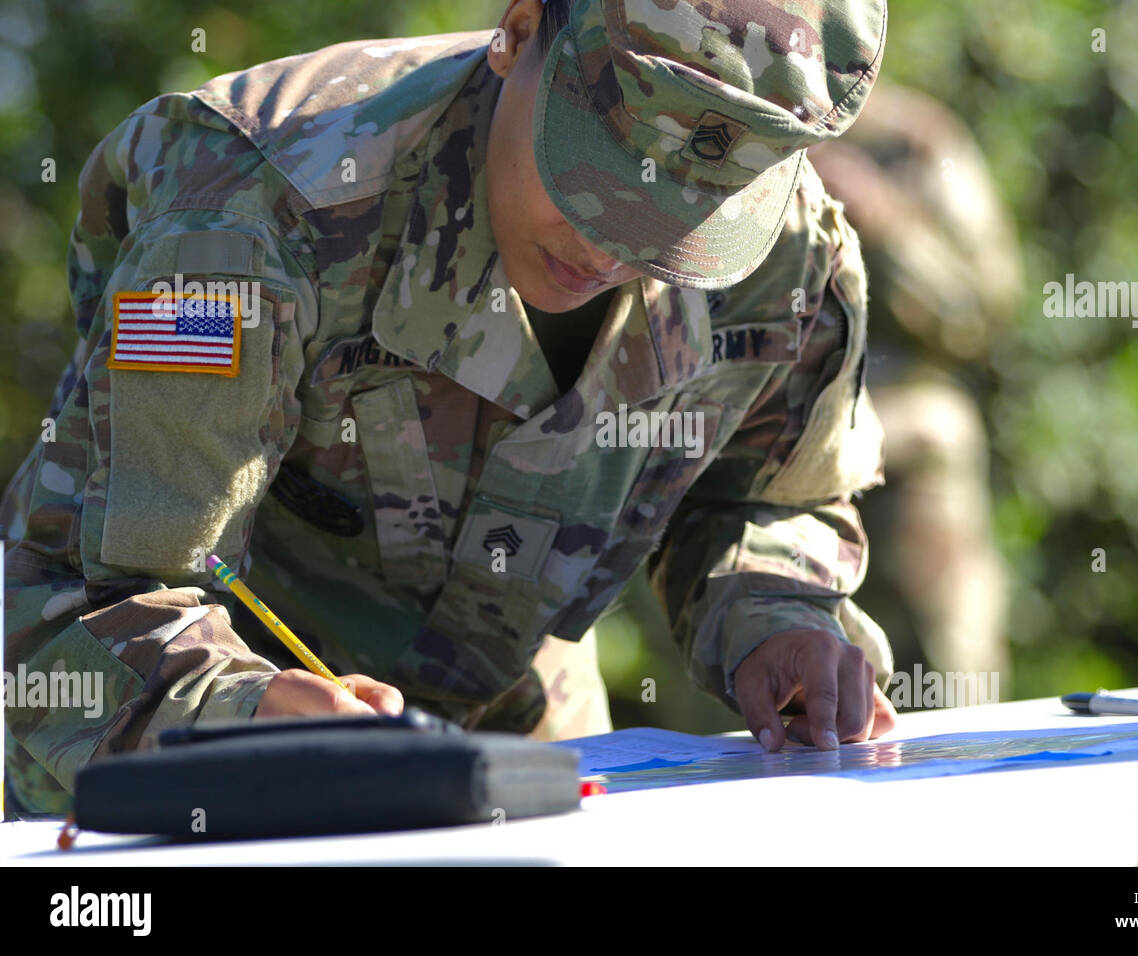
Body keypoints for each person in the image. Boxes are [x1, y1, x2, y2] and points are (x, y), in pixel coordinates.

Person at [2, 0, 895, 814]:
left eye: (684, 226)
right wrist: (242, 710)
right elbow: (59, 613)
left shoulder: (787, 265)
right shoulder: (245, 218)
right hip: (235, 769)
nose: (615, 247)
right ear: (517, 30)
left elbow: (770, 500)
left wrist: (778, 622)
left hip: (534, 750)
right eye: (601, 176)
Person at [808, 83, 1021, 682]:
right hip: (763, 411)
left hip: (893, 420)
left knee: (942, 430)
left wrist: (879, 213)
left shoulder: (917, 145)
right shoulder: (732, 122)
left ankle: (959, 711)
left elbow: (979, 311)